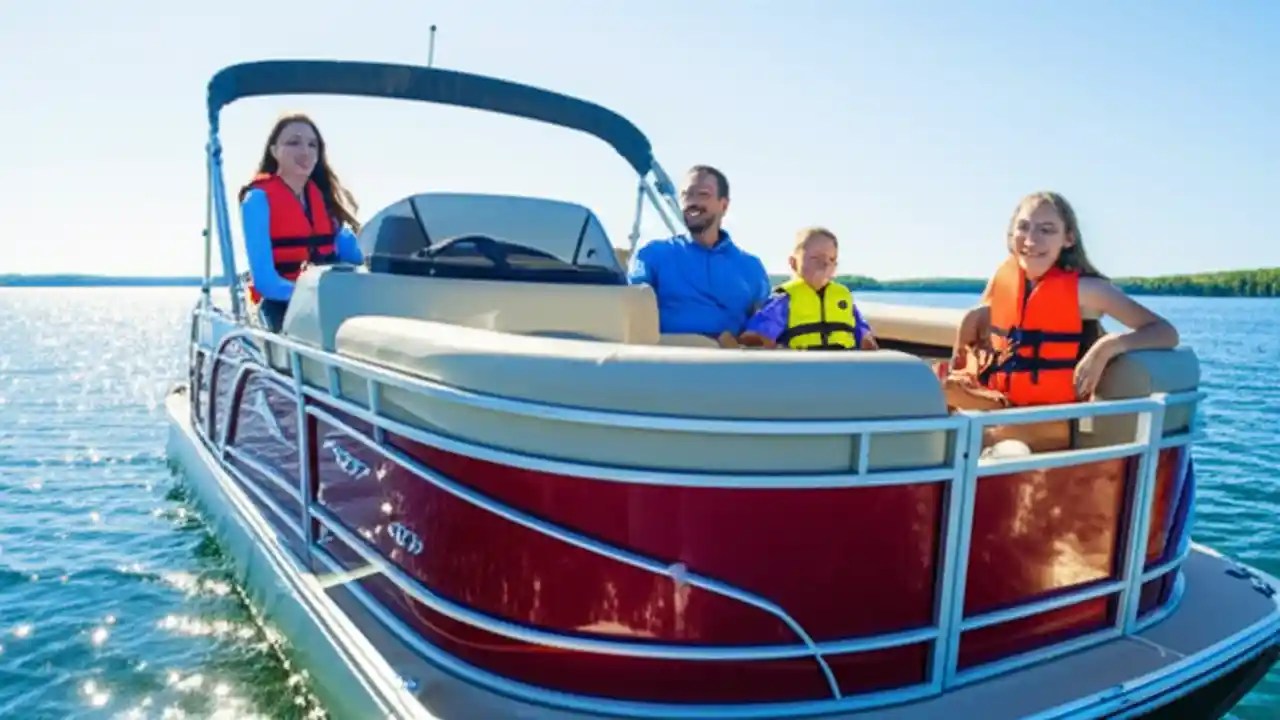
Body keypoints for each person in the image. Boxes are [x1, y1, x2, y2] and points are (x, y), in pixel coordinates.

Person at [948, 191, 1179, 426]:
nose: (1030, 240)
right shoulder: (1003, 278)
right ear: (1011, 235)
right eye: (1023, 227)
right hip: (995, 407)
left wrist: (1108, 346)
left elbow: (1166, 332)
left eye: (1046, 230)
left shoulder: (1088, 290)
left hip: (1047, 421)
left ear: (1068, 239)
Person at [239, 112, 364, 331]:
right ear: (274, 151)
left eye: (312, 145)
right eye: (293, 142)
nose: (305, 151)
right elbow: (266, 282)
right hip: (278, 306)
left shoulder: (324, 203)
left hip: (327, 305)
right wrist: (315, 298)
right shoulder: (257, 200)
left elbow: (356, 258)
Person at [626, 165, 771, 340]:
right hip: (669, 357)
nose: (692, 202)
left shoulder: (751, 267)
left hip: (731, 359)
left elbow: (765, 322)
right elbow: (630, 307)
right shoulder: (653, 256)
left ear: (723, 205)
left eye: (703, 195)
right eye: (686, 195)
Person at [738, 226, 877, 350]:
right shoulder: (784, 300)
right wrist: (759, 339)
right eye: (816, 258)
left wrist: (866, 338)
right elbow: (759, 333)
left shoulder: (843, 297)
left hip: (844, 369)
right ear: (793, 264)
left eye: (832, 260)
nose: (825, 264)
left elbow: (860, 328)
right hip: (803, 371)